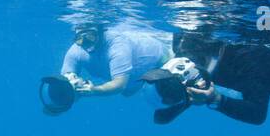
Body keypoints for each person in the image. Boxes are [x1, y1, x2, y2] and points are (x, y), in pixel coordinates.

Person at [40, 24, 173, 115]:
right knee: (128, 93)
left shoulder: (117, 46)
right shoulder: (75, 52)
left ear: (100, 33)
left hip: (160, 59)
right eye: (80, 40)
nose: (86, 44)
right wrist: (58, 105)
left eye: (90, 37)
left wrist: (96, 91)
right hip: (134, 78)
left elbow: (119, 84)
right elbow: (64, 80)